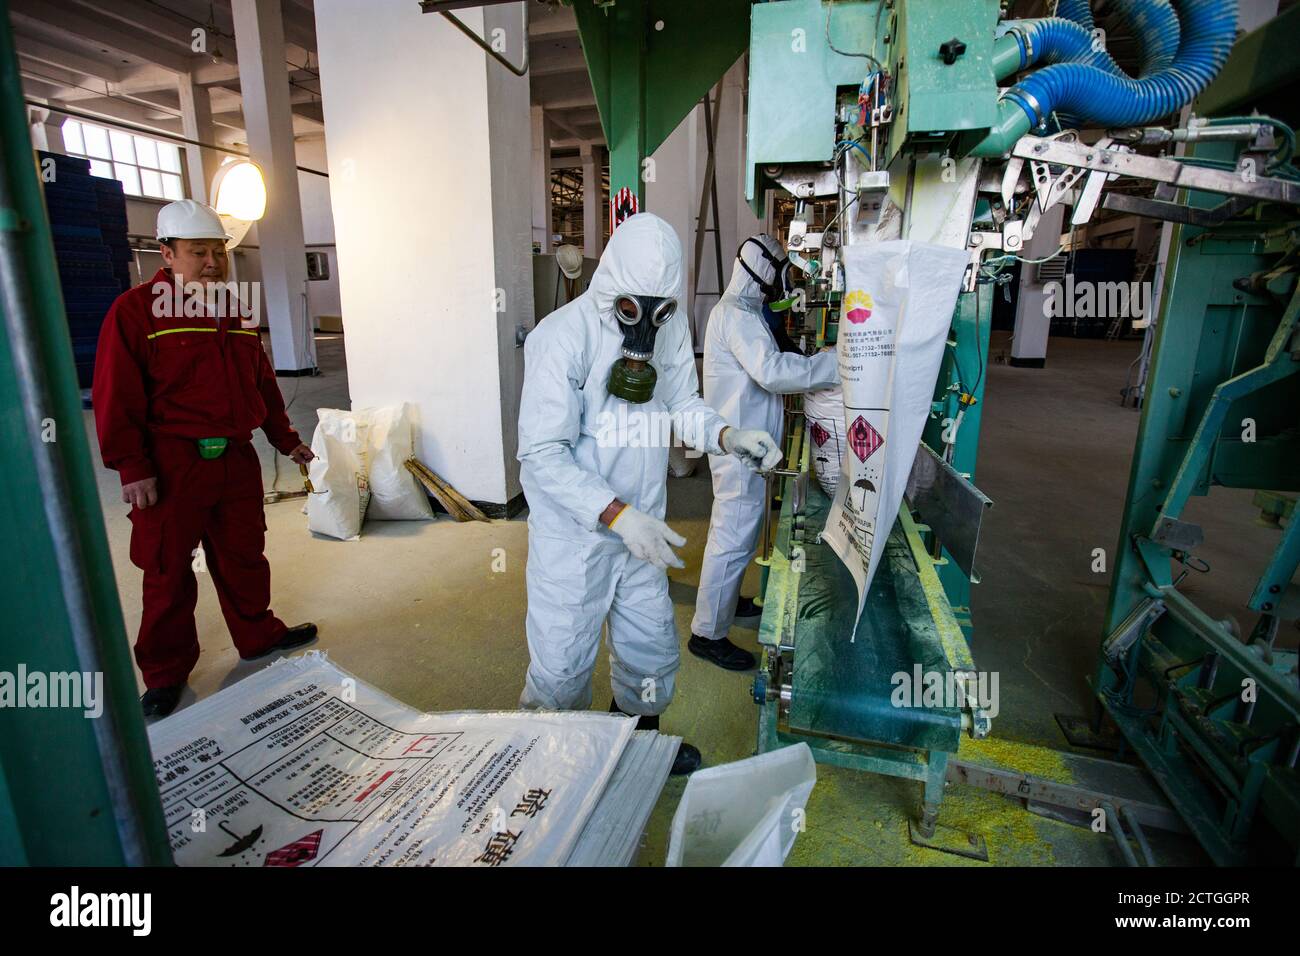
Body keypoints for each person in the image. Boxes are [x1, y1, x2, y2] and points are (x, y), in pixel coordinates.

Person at [517, 213, 782, 775]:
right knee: (562, 669)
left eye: (659, 310)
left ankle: (635, 748)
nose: (647, 328)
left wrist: (727, 436)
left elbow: (682, 403)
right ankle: (550, 777)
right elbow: (541, 456)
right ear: (612, 285)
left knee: (652, 655)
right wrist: (615, 515)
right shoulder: (562, 336)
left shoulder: (669, 324)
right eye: (632, 310)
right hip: (578, 540)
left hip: (644, 536)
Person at [92, 199, 318, 718]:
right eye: (199, 253)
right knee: (167, 568)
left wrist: (286, 440)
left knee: (244, 554)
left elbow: (260, 383)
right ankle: (165, 674)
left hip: (234, 461)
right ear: (167, 253)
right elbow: (115, 395)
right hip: (172, 465)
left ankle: (257, 635)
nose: (213, 263)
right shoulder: (135, 313)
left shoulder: (233, 309)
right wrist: (133, 467)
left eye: (219, 252)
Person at [689, 234, 839, 670]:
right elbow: (771, 373)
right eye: (780, 274)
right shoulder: (736, 315)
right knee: (732, 537)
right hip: (739, 449)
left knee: (738, 533)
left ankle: (728, 603)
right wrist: (835, 365)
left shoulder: (743, 312)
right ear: (765, 272)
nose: (782, 284)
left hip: (747, 445)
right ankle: (707, 634)